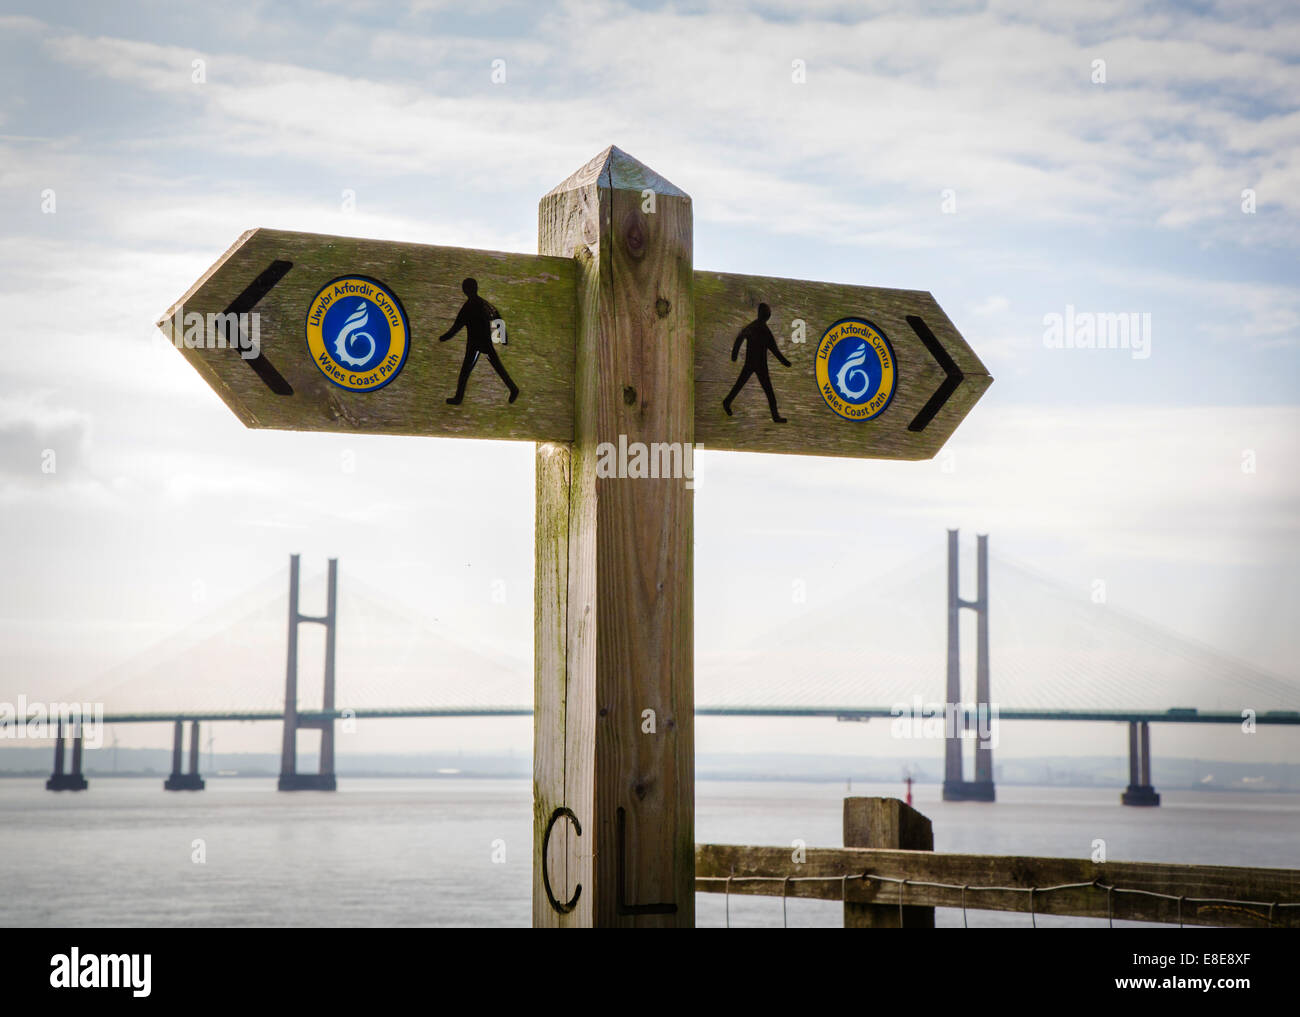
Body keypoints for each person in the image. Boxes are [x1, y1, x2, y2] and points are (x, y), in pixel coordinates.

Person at [438, 278, 519, 405]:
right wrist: (503, 337)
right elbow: (497, 318)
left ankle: (459, 397)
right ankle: (513, 388)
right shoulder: (482, 304)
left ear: (465, 290)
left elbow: (456, 327)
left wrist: (444, 337)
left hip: (479, 344)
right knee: (493, 368)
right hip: (479, 343)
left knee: (469, 371)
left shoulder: (469, 307)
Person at [722, 302, 789, 423]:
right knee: (768, 391)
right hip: (758, 365)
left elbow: (739, 339)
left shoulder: (753, 327)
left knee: (742, 385)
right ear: (765, 315)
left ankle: (727, 401)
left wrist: (734, 355)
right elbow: (774, 349)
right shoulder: (762, 330)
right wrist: (785, 362)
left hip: (753, 364)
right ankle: (775, 416)